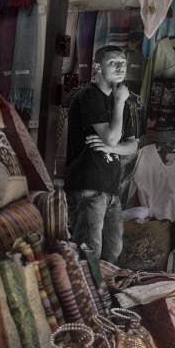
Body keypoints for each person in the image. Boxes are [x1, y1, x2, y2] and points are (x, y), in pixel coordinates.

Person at [65, 45, 138, 263]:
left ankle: (102, 294)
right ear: (97, 66)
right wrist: (119, 102)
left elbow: (133, 146)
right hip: (88, 184)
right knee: (89, 252)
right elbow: (113, 137)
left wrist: (110, 148)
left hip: (110, 187)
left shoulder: (121, 102)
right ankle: (86, 295)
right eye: (112, 62)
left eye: (123, 63)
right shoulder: (89, 96)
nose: (120, 67)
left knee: (113, 252)